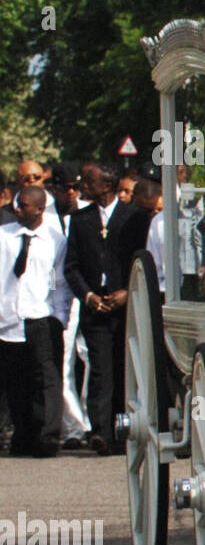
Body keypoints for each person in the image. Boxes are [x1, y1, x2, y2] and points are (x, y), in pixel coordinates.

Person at [63, 162, 144, 455]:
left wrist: (127, 291)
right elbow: (70, 267)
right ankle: (100, 431)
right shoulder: (80, 220)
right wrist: (87, 296)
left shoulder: (134, 218)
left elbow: (142, 259)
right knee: (100, 369)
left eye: (89, 180)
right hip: (95, 308)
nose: (83, 184)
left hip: (126, 308)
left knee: (124, 367)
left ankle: (125, 429)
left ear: (106, 186)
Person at [0, 186, 71, 457]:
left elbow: (58, 281)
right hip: (8, 319)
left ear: (40, 208)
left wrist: (59, 315)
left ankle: (48, 436)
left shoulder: (54, 240)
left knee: (47, 379)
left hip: (40, 316)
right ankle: (24, 434)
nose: (18, 209)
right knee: (16, 381)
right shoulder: (4, 237)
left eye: (25, 205)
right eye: (18, 204)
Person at [47, 164, 92, 448]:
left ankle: (89, 419)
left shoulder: (87, 211)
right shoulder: (46, 216)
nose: (72, 193)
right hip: (58, 296)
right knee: (64, 364)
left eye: (76, 187)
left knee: (90, 359)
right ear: (55, 189)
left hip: (87, 293)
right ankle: (75, 427)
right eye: (66, 189)